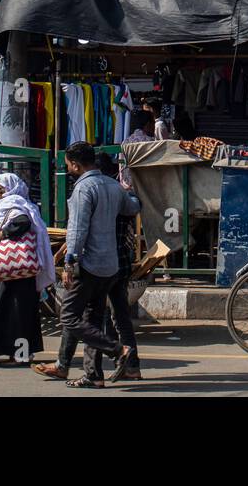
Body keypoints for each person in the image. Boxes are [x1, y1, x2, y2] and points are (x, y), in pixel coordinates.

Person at [33, 142, 139, 388]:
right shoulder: (113, 186)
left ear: (76, 164)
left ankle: (117, 350)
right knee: (93, 318)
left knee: (69, 316)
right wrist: (133, 191)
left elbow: (77, 231)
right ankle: (94, 375)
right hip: (110, 264)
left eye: (68, 164)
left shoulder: (83, 189)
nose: (68, 168)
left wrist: (69, 264)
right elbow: (133, 207)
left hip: (89, 264)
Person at [0, 172, 55, 365]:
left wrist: (2, 233)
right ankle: (21, 354)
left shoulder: (13, 203)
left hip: (8, 268)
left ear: (7, 189)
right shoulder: (19, 203)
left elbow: (21, 222)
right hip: (19, 270)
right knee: (20, 314)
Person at [97, 152, 142, 381]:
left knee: (94, 316)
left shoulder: (95, 192)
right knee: (119, 315)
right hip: (120, 260)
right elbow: (135, 206)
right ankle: (130, 364)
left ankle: (119, 357)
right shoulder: (119, 192)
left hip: (100, 262)